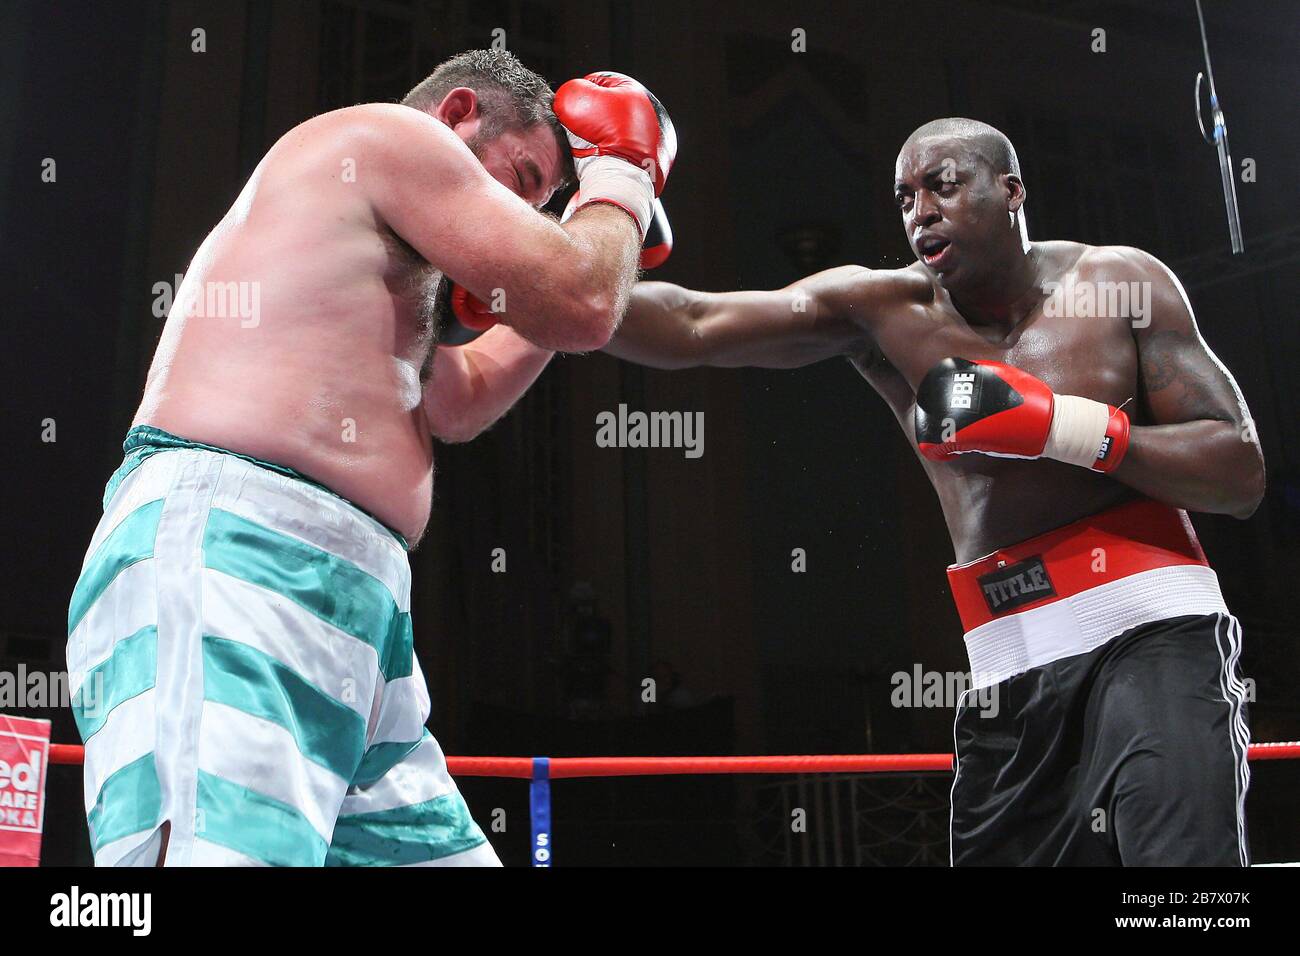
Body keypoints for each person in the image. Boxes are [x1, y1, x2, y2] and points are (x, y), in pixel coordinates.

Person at [66, 49, 675, 866]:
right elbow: (582, 298)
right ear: (460, 112)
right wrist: (622, 187)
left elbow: (460, 401)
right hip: (237, 556)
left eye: (542, 203)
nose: (521, 213)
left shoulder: (390, 275)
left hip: (364, 619)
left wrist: (567, 264)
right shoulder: (389, 138)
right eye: (523, 177)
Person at [606, 118, 1263, 865]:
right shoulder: (884, 309)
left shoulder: (1120, 283)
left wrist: (1066, 428)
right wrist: (539, 281)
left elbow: (1238, 471)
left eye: (943, 185)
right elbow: (695, 321)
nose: (921, 209)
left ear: (1011, 190)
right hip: (1009, 664)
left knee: (1182, 895)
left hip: (1154, 636)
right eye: (904, 196)